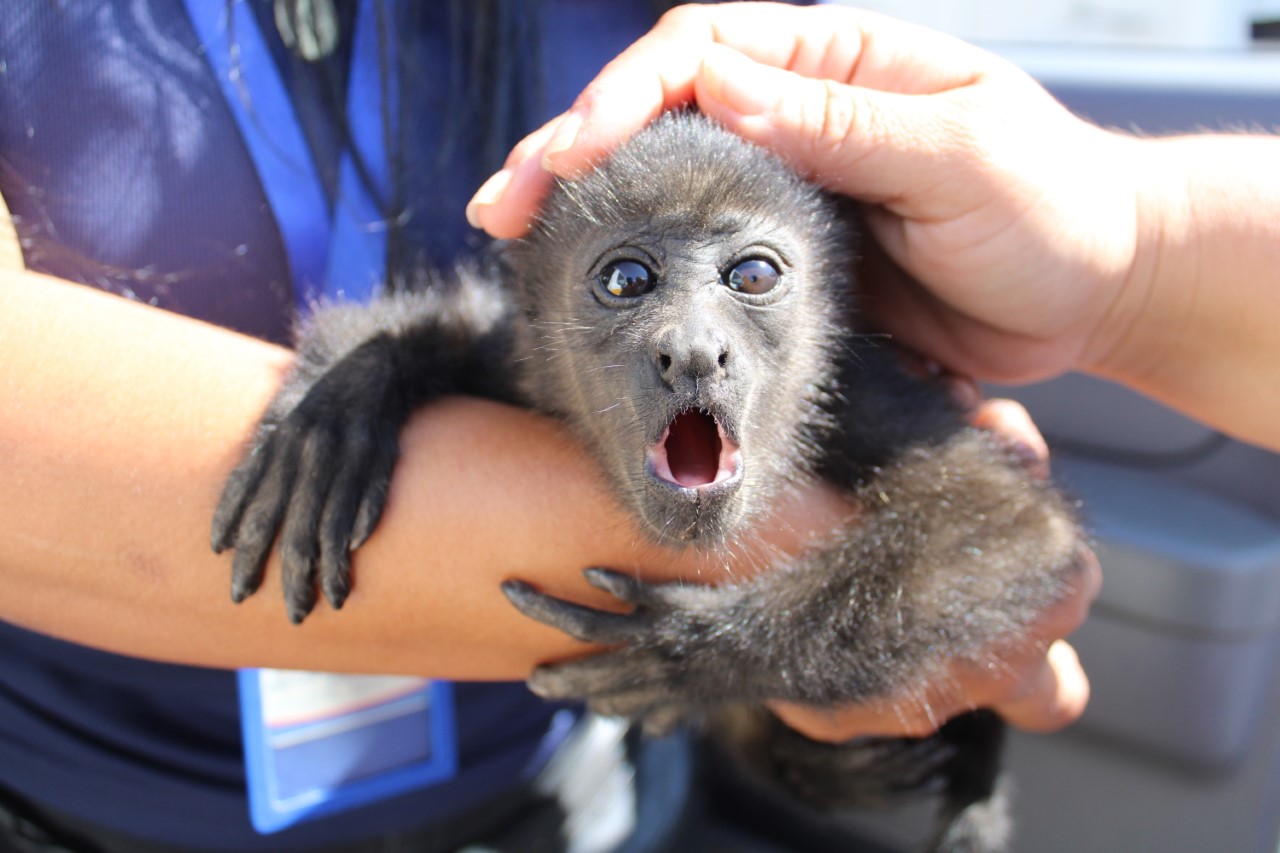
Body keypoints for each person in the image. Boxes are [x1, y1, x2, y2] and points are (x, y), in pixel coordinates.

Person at [0, 2, 1130, 850]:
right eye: (628, 280)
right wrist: (361, 377)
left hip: (560, 800)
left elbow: (1019, 541)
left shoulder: (832, 341)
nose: (693, 339)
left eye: (749, 275)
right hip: (91, 798)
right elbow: (458, 323)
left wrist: (748, 641)